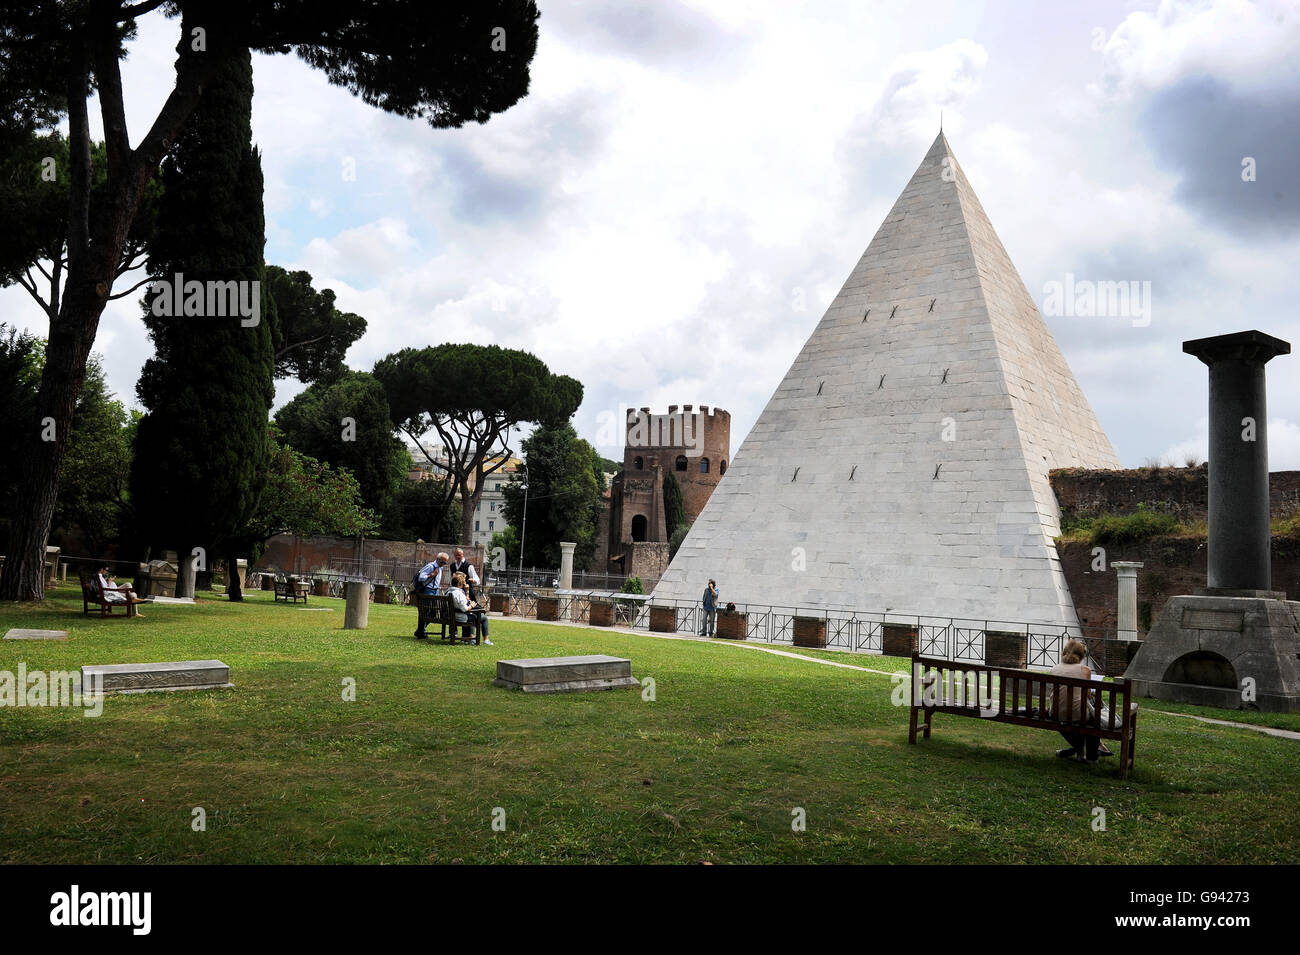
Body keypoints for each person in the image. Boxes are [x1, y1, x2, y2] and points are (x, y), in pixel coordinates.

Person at [1049, 639, 1112, 762]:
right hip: (1077, 714)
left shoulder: (1055, 669)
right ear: (1082, 656)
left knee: (1075, 715)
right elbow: (1087, 695)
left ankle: (1078, 750)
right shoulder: (1085, 670)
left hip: (1055, 713)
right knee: (1094, 719)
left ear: (1064, 653)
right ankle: (1092, 757)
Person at [448, 571, 492, 645]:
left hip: (450, 615)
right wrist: (472, 605)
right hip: (459, 616)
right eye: (463, 582)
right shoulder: (458, 594)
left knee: (472, 615)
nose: (464, 584)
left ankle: (467, 638)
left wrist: (467, 592)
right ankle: (485, 640)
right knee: (483, 618)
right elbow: (464, 609)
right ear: (459, 584)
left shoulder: (448, 591)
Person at [413, 553, 449, 639]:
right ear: (437, 559)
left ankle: (420, 630)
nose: (443, 564)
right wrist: (431, 575)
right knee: (425, 612)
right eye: (442, 562)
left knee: (433, 613)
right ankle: (421, 632)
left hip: (435, 590)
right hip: (428, 591)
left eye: (445, 563)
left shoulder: (440, 568)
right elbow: (421, 577)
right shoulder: (430, 566)